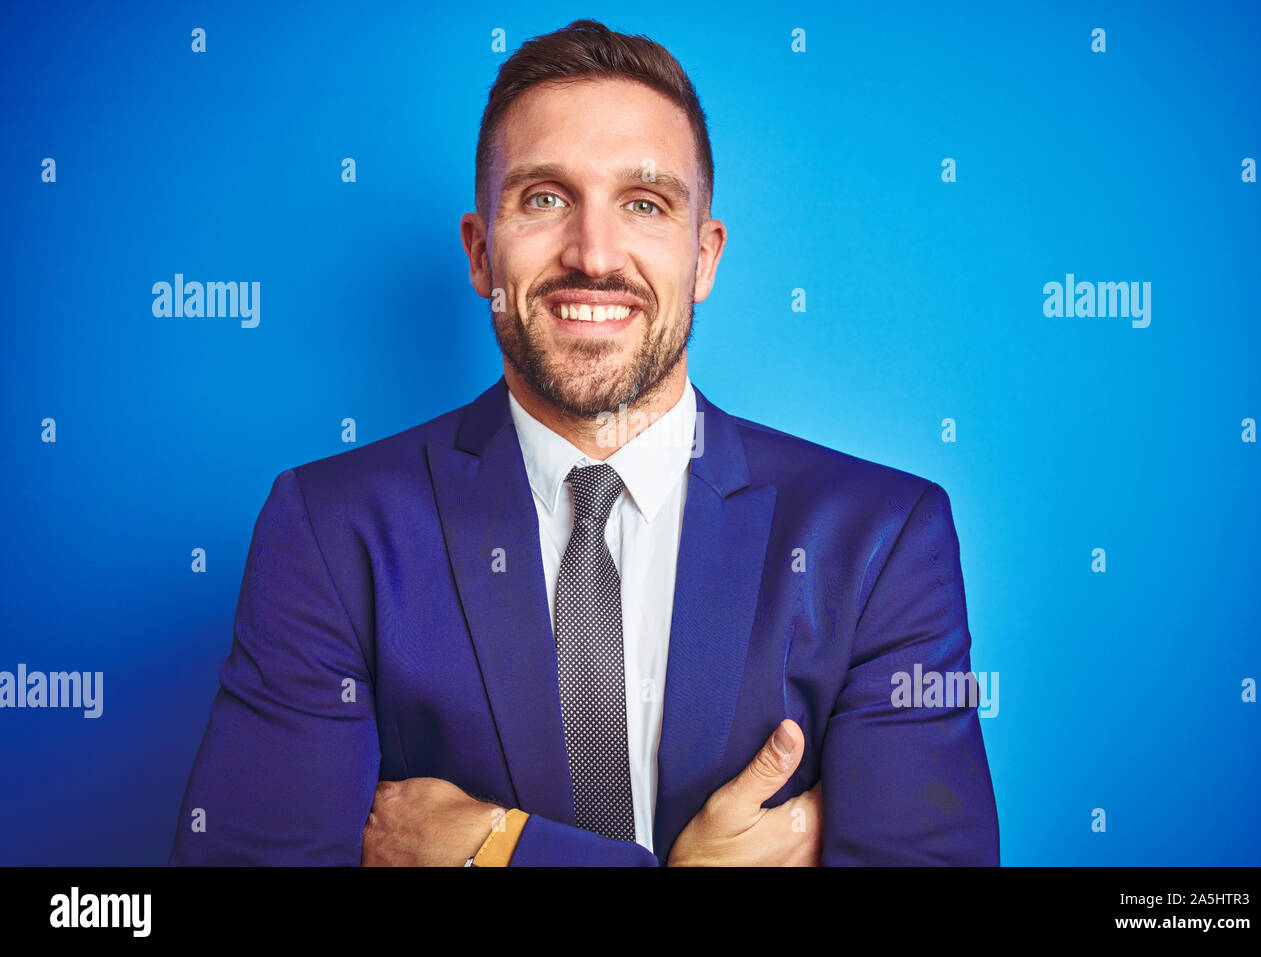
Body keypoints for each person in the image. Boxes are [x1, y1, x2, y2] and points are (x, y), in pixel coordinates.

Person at [169, 18, 998, 867]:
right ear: (481, 253)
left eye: (644, 204)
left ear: (704, 257)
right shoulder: (330, 530)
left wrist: (495, 851)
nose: (594, 255)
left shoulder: (884, 538)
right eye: (544, 198)